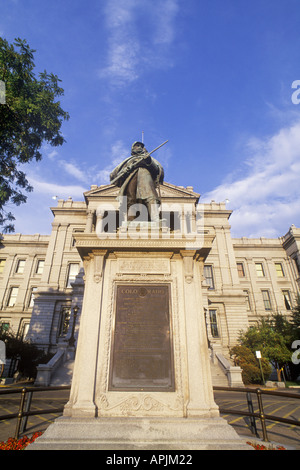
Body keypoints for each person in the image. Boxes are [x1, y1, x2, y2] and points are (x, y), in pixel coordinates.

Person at [110, 141, 164, 222]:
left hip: (145, 176)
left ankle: (155, 218)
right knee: (131, 198)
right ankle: (130, 220)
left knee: (151, 197)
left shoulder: (148, 158)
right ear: (133, 148)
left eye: (141, 146)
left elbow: (157, 170)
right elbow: (115, 174)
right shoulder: (128, 160)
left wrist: (148, 160)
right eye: (137, 145)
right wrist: (126, 170)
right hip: (131, 177)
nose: (140, 147)